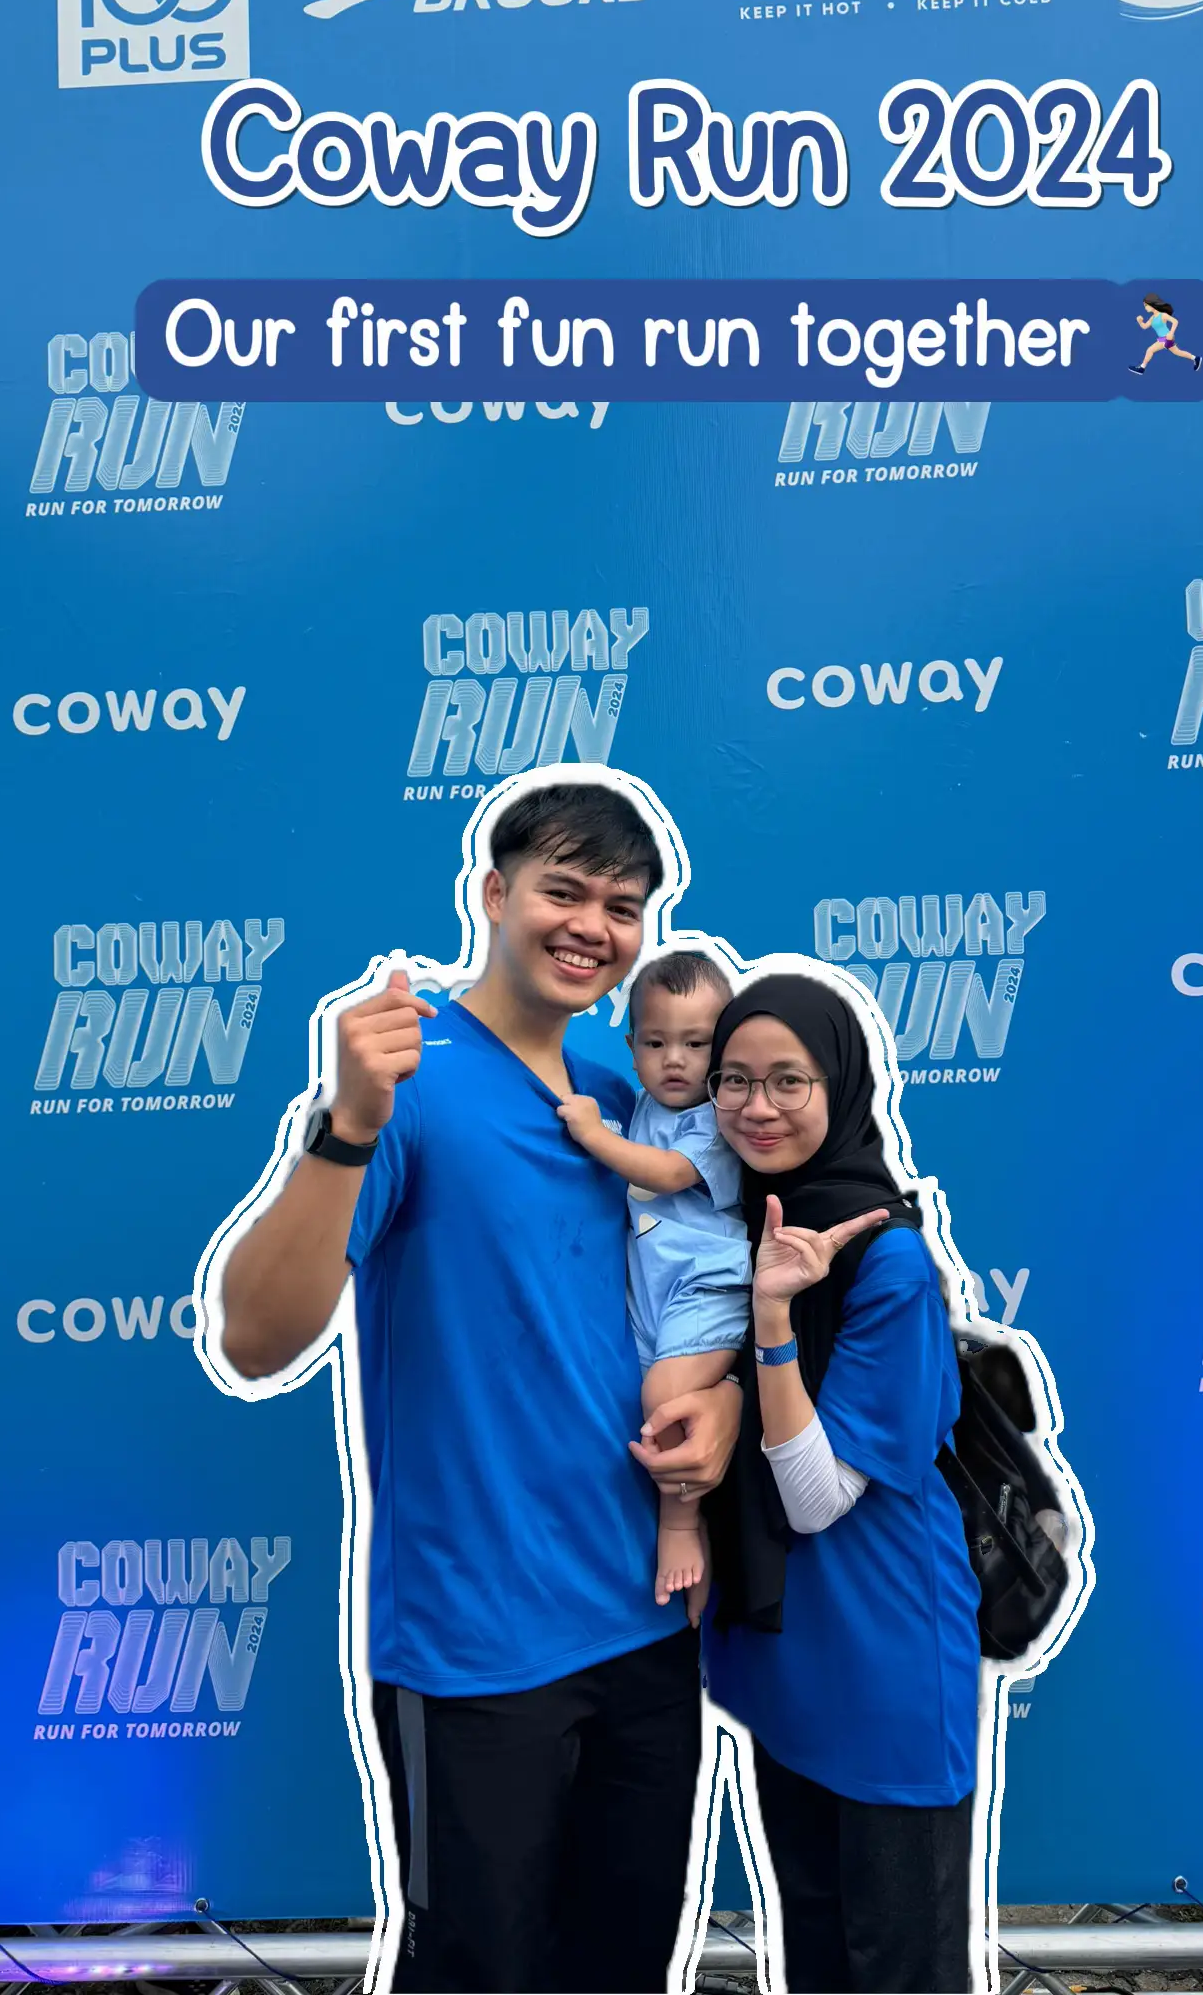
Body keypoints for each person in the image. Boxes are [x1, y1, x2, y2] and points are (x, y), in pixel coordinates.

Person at [216, 781, 744, 1995]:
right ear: (494, 892)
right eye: (564, 889)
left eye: (623, 904)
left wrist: (718, 1402)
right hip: (475, 1643)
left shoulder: (632, 1087)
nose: (592, 924)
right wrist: (349, 1124)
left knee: (622, 1972)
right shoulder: (406, 1082)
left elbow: (701, 1293)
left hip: (649, 1621)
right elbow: (253, 1338)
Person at [701, 972, 984, 1995]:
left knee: (897, 1969)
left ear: (843, 1084)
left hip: (883, 1660)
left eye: (790, 1079)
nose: (759, 1106)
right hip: (786, 1663)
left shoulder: (885, 1261)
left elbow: (816, 1497)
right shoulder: (722, 1227)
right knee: (817, 1958)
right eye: (735, 1078)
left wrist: (774, 1319)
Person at [558, 950, 751, 1620]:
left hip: (709, 1289)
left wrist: (591, 1134)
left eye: (697, 1045)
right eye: (656, 1042)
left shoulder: (721, 1120)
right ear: (632, 1048)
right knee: (639, 1406)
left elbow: (666, 1174)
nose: (675, 1060)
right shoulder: (636, 1106)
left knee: (665, 1398)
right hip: (650, 1297)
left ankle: (681, 1526)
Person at [1130, 292, 1201, 374]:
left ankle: (1142, 368)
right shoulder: (1152, 318)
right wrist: (1140, 321)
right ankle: (1195, 358)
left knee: (1150, 350)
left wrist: (1171, 333)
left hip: (1167, 338)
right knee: (1177, 352)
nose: (1145, 308)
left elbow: (1175, 321)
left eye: (1146, 305)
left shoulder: (1162, 315)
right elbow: (1145, 326)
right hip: (1161, 339)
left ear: (1152, 303)